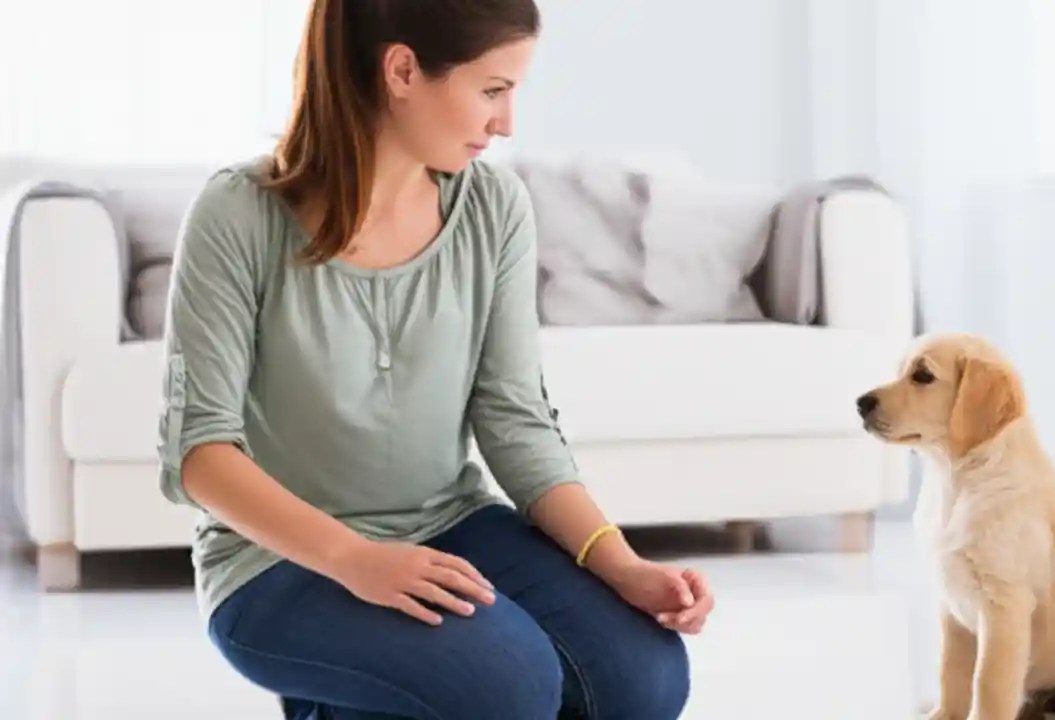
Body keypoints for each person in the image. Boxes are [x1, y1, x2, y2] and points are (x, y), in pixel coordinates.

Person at [156, 0, 713, 717]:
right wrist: (357, 562)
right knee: (507, 686)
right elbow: (201, 454)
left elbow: (516, 420)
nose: (507, 121)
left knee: (642, 677)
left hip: (448, 524)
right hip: (277, 563)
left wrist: (624, 566)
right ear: (403, 70)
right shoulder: (238, 214)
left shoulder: (494, 207)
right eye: (492, 89)